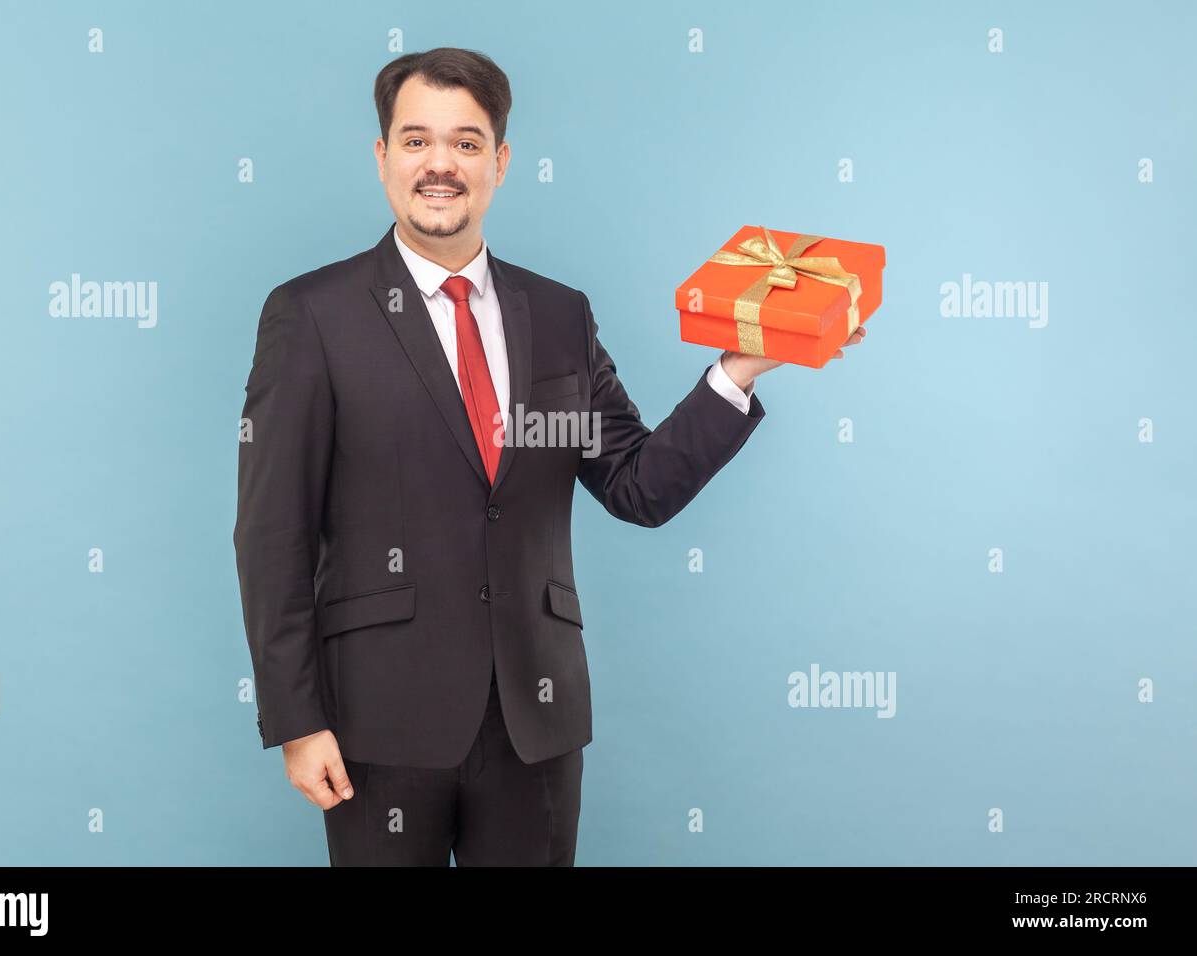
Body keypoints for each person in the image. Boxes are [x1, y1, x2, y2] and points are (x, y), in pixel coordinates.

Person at [232, 47, 867, 867]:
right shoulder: (311, 315)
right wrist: (296, 717)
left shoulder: (561, 315)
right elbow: (270, 535)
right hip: (376, 724)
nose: (440, 164)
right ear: (382, 156)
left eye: (465, 142)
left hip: (537, 723)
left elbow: (638, 486)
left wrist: (737, 370)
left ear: (498, 161)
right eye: (416, 139)